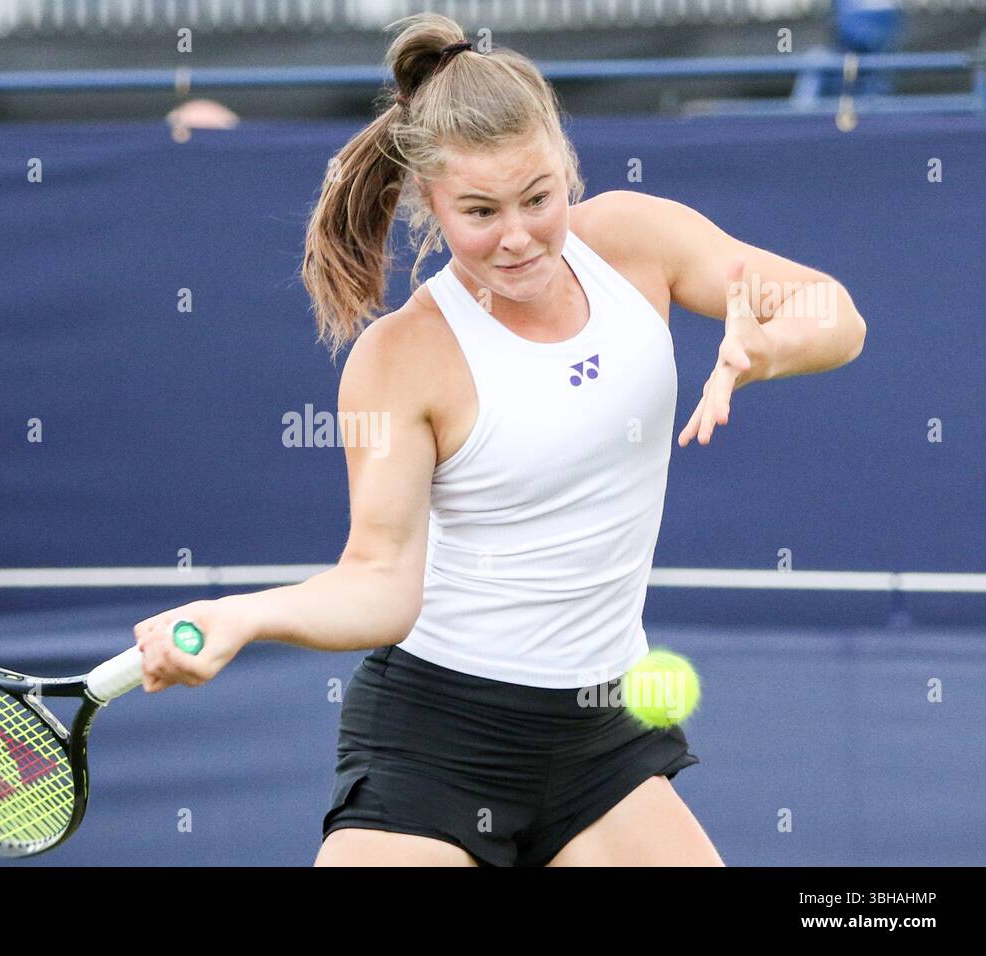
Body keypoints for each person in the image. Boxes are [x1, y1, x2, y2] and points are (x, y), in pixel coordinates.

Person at [130, 13, 867, 866]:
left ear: (567, 169)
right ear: (429, 203)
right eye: (480, 210)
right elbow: (378, 584)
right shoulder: (399, 359)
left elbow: (837, 315)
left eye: (539, 198)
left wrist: (766, 348)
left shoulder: (633, 241)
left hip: (603, 736)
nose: (518, 236)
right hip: (436, 744)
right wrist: (240, 615)